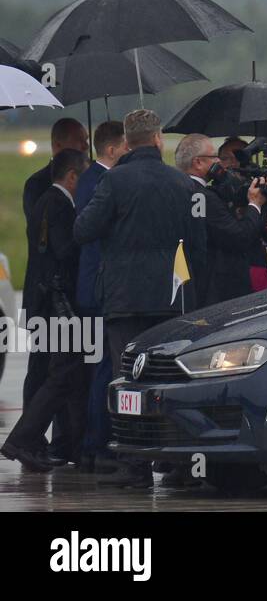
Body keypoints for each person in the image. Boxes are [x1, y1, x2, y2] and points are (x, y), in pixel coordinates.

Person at [73, 109, 205, 489]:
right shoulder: (182, 185)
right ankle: (173, 457)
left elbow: (83, 229)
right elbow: (198, 244)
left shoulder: (115, 182)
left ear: (127, 142)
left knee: (127, 380)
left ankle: (134, 466)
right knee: (168, 380)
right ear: (159, 139)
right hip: (171, 298)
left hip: (124, 298)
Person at [2, 149, 89, 472]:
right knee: (62, 374)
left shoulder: (44, 201)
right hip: (59, 305)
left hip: (46, 303)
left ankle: (66, 443)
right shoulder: (60, 206)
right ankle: (23, 439)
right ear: (71, 176)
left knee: (64, 374)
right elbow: (64, 250)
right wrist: (87, 231)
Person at [75, 121, 127, 473]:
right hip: (100, 287)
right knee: (105, 368)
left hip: (100, 285)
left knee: (105, 366)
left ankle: (97, 443)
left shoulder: (96, 178)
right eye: (125, 146)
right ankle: (97, 443)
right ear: (111, 149)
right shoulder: (99, 180)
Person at [174, 134, 267, 307]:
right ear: (198, 162)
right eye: (213, 156)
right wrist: (255, 205)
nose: (218, 161)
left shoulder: (177, 190)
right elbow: (239, 237)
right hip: (214, 289)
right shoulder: (204, 196)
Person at [23, 117, 88, 222]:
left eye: (86, 140)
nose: (86, 146)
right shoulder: (37, 184)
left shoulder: (95, 175)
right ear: (58, 145)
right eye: (79, 140)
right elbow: (37, 229)